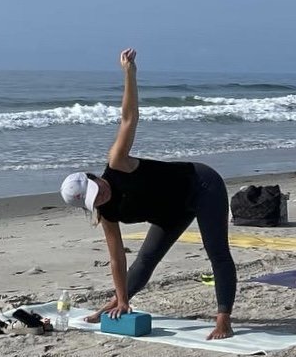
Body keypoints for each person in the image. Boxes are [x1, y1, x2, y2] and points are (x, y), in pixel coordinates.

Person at [59, 48, 237, 339]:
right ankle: (115, 303)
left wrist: (129, 74)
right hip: (171, 212)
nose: (100, 197)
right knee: (146, 259)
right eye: (93, 200)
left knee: (216, 251)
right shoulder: (106, 213)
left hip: (201, 185)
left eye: (97, 190)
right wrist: (123, 300)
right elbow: (117, 258)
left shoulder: (118, 163)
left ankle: (223, 319)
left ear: (94, 177)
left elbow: (129, 118)